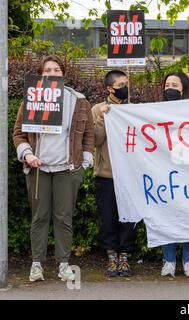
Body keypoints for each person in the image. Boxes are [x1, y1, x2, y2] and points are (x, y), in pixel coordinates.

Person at [13, 55, 94, 282]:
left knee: (63, 217)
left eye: (56, 69)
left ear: (63, 73)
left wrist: (84, 161)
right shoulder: (31, 99)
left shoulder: (78, 101)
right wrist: (28, 155)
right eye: (47, 69)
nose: (51, 73)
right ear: (41, 74)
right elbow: (18, 133)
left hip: (66, 168)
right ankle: (36, 264)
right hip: (38, 168)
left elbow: (89, 134)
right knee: (40, 217)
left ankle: (64, 264)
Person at [91, 70, 137, 277]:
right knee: (108, 218)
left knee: (128, 219)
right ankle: (112, 256)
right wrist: (103, 117)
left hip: (129, 175)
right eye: (121, 84)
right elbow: (95, 141)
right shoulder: (97, 110)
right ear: (110, 88)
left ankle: (125, 256)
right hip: (106, 174)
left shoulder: (134, 110)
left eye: (127, 83)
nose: (125, 87)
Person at [160, 71, 189, 278]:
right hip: (163, 172)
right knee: (167, 216)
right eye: (168, 84)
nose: (171, 88)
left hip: (188, 171)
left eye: (175, 85)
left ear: (183, 88)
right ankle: (168, 261)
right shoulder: (155, 112)